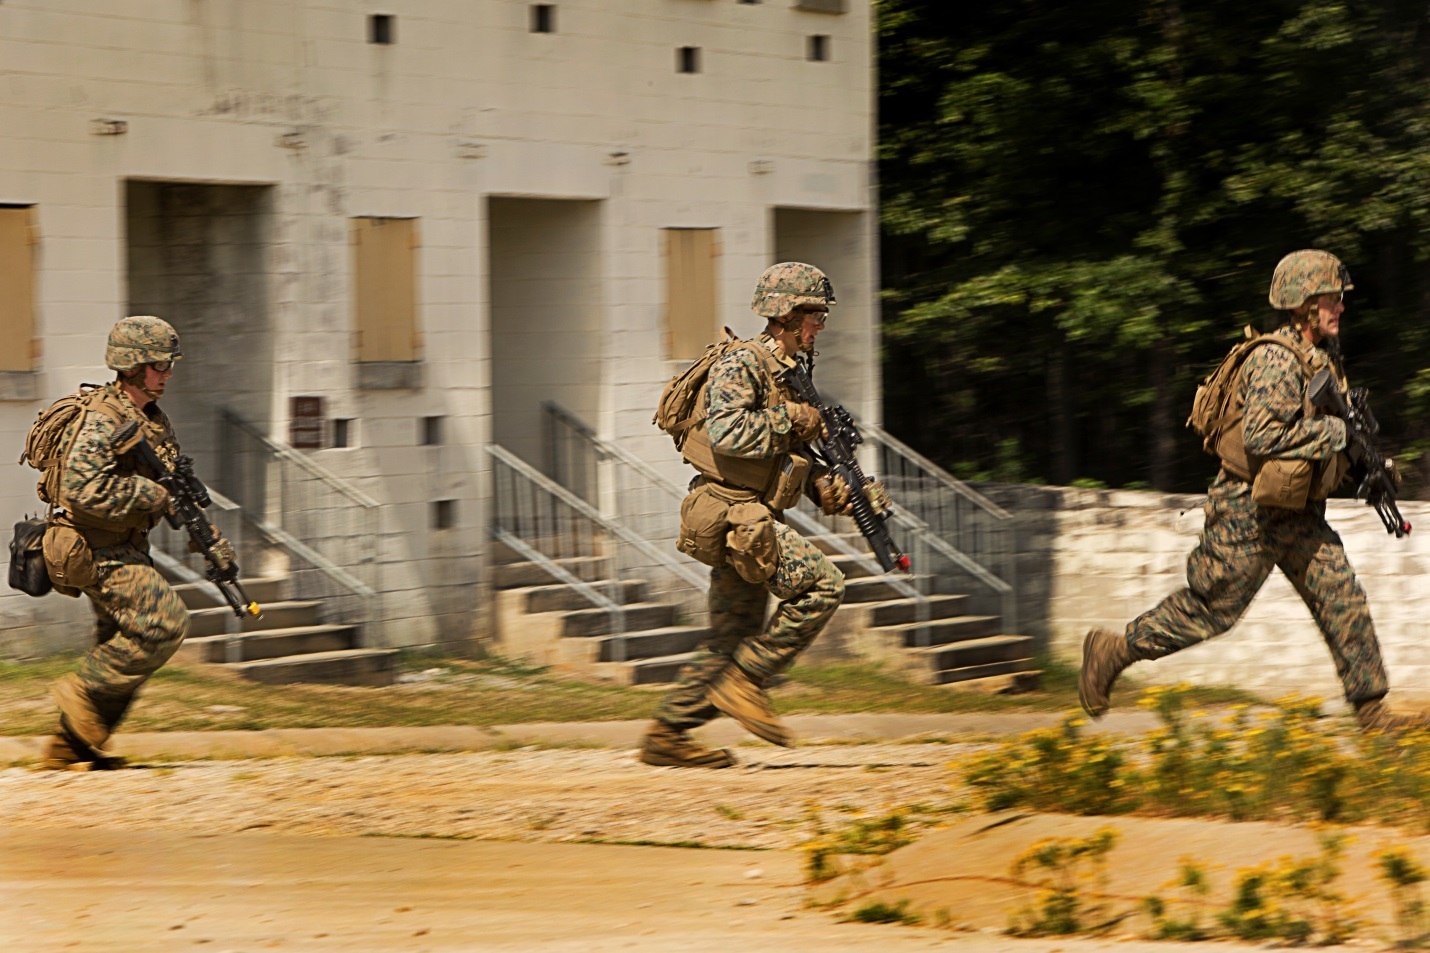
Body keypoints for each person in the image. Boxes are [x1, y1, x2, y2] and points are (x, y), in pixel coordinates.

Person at [1078, 249, 1421, 732]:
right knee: (1212, 611)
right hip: (1248, 510)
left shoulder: (1320, 359)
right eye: (1331, 299)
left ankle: (1372, 714)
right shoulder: (1275, 361)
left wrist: (1360, 463)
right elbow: (1262, 437)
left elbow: (1309, 437)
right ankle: (1114, 650)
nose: (1340, 307)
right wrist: (1336, 436)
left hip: (1297, 511)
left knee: (1341, 594)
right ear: (1304, 305)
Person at [639, 262, 853, 767]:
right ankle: (746, 681)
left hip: (751, 514)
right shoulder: (743, 364)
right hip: (735, 514)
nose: (820, 325)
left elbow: (776, 455)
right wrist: (795, 418)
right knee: (824, 586)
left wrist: (823, 484)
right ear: (784, 313)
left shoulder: (788, 370)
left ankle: (668, 735)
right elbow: (729, 435)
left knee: (728, 636)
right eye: (814, 314)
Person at [34, 316, 231, 769]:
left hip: (125, 547)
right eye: (160, 364)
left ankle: (69, 750)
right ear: (133, 365)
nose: (167, 373)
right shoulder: (103, 420)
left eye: (168, 364)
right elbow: (81, 492)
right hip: (92, 548)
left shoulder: (151, 420)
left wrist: (212, 543)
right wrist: (152, 494)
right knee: (161, 625)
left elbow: (177, 494)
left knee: (122, 647)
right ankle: (79, 690)